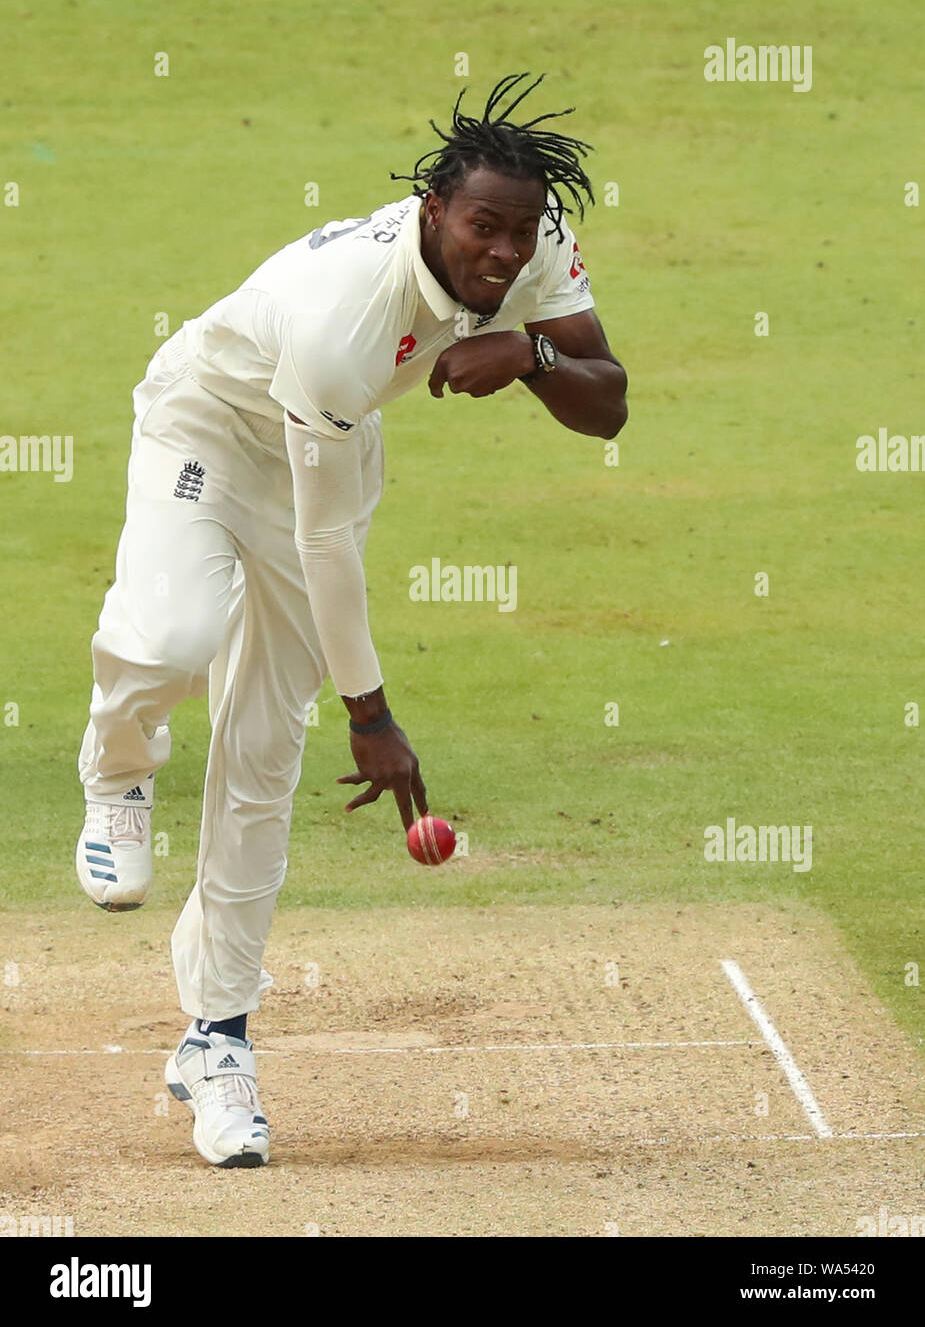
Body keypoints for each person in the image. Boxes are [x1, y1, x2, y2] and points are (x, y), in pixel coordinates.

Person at [75, 73, 628, 1168]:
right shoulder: (346, 315)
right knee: (173, 636)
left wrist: (531, 353)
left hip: (324, 462)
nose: (505, 254)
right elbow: (325, 548)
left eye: (520, 232)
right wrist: (371, 712)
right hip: (211, 428)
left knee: (264, 755)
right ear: (432, 212)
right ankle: (118, 764)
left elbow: (606, 397)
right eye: (484, 227)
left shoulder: (538, 243)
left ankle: (215, 1041)